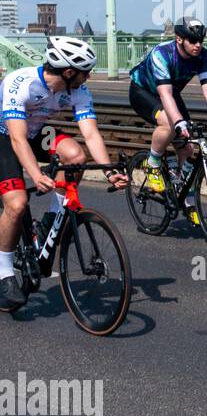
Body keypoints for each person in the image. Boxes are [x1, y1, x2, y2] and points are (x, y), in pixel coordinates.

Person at [0, 37, 128, 310]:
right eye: (86, 71)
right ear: (68, 72)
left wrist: (108, 171)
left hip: (37, 133)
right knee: (17, 203)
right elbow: (17, 141)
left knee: (75, 156)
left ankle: (51, 218)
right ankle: (5, 273)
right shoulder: (21, 83)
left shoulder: (78, 89)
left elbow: (90, 133)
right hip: (7, 137)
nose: (90, 76)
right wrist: (35, 175)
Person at [127, 17, 207, 223]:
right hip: (144, 92)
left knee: (187, 150)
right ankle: (151, 163)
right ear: (179, 39)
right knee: (170, 124)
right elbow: (165, 94)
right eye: (192, 41)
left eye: (201, 41)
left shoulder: (203, 56)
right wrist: (178, 122)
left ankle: (185, 197)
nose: (198, 45)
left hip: (170, 92)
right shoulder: (162, 54)